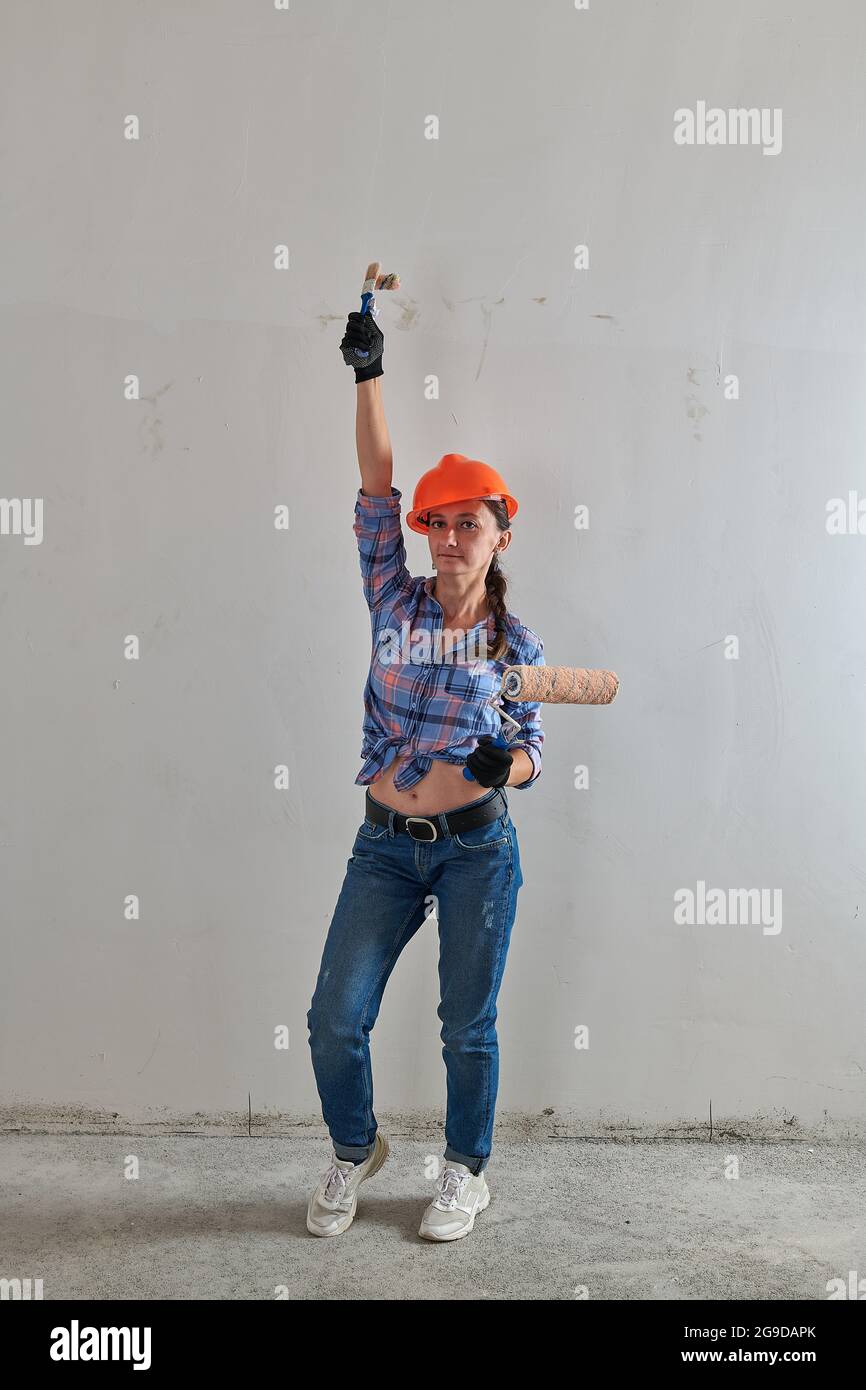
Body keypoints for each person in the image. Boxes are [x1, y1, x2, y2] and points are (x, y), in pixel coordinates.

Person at [305, 304, 546, 1242]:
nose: (447, 539)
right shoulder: (389, 594)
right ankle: (353, 1148)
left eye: (467, 526)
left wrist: (508, 763)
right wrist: (368, 374)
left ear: (500, 537)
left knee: (466, 1026)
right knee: (334, 1016)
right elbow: (374, 484)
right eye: (435, 525)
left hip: (477, 849)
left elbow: (531, 750)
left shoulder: (516, 644)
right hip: (384, 847)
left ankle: (464, 1172)